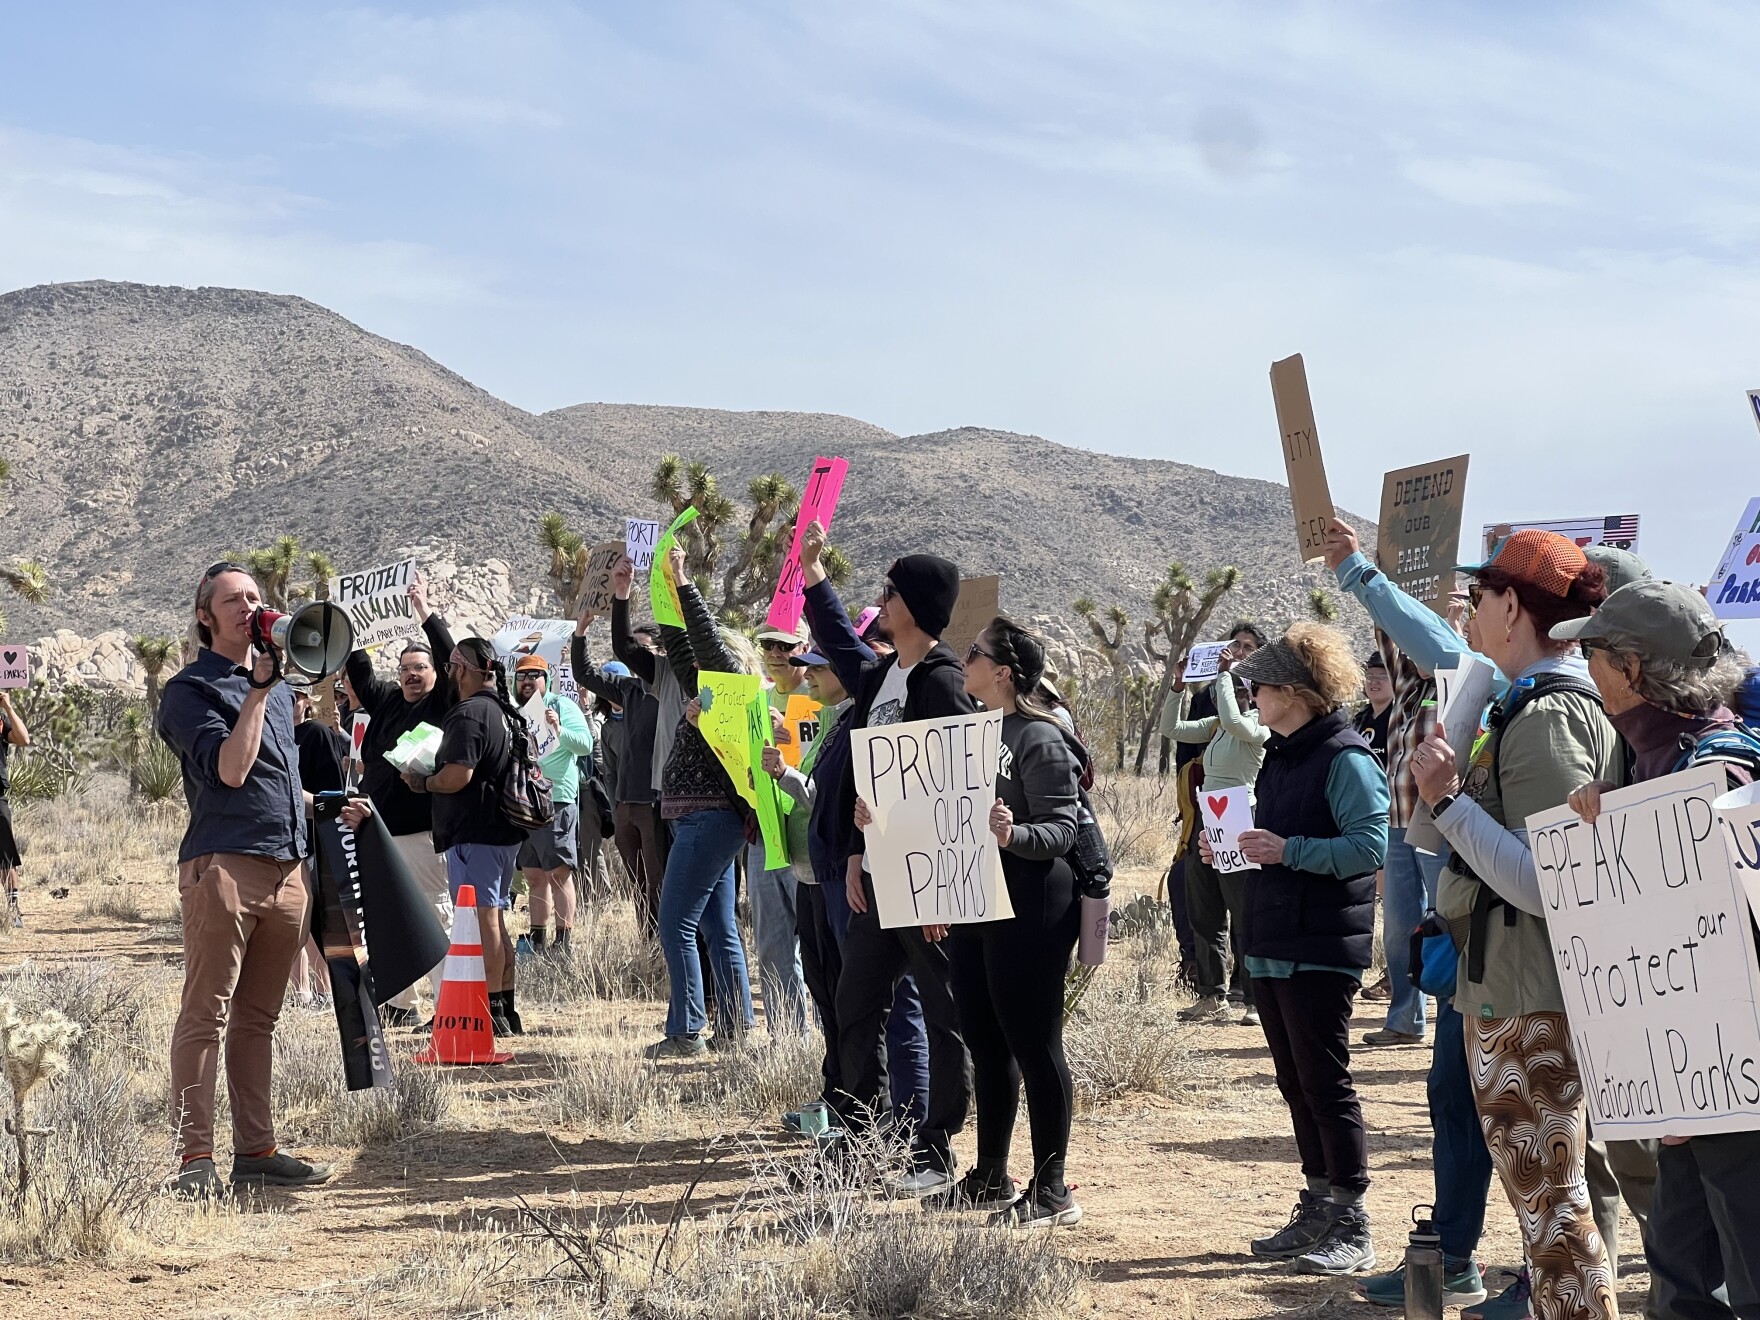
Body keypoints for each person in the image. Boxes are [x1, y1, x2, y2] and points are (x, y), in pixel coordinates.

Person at [1409, 530, 1621, 1320]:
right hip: (1511, 991)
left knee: (1556, 1219)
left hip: (1534, 999)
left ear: (1512, 606)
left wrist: (1449, 802)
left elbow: (1546, 881)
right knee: (1547, 1218)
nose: (1467, 610)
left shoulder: (1550, 718)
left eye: (1482, 595)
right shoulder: (1521, 705)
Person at [1555, 581, 1760, 1320]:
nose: (1587, 668)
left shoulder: (1720, 773)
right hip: (1690, 1093)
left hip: (1738, 1098)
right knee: (1679, 1281)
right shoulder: (1654, 766)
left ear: (1633, 669)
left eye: (1594, 654)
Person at [1207, 623, 1387, 1276]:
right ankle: (1317, 1207)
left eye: (1258, 685)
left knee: (1325, 1084)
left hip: (1320, 944)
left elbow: (1370, 848)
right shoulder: (1280, 754)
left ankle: (1352, 1220)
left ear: (1293, 691)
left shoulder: (1346, 757)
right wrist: (1232, 847)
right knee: (1295, 1082)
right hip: (1274, 938)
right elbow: (1276, 840)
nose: (1250, 693)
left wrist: (1288, 851)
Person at [801, 518, 975, 1194]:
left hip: (923, 881)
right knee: (855, 1003)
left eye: (893, 592)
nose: (885, 598)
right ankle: (859, 1136)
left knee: (943, 1014)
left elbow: (955, 781)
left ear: (919, 607)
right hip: (874, 877)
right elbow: (843, 651)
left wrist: (940, 887)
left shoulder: (941, 681)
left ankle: (935, 1149)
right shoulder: (884, 681)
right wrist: (852, 852)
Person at [156, 562, 333, 1196]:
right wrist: (257, 691)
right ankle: (194, 1160)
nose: (248, 606)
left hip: (287, 869)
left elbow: (271, 779)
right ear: (205, 614)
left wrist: (322, 804)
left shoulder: (280, 691)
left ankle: (256, 1150)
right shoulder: (188, 691)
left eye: (254, 597)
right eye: (233, 599)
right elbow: (231, 771)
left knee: (258, 1019)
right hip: (223, 867)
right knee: (205, 1014)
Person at [927, 616, 1087, 1229]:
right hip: (975, 900)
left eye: (975, 653)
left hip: (1033, 900)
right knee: (985, 1038)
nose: (963, 660)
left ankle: (1053, 1188)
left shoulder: (1038, 739)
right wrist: (880, 822)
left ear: (1003, 673)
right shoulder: (968, 732)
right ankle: (992, 1171)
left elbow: (1062, 830)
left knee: (1033, 1040)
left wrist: (1012, 832)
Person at [643, 546, 759, 1057]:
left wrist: (685, 581)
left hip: (708, 818)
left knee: (675, 923)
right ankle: (735, 1028)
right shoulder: (707, 690)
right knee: (717, 926)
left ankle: (686, 1030)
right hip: (707, 820)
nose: (697, 666)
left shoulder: (732, 686)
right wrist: (666, 587)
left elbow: (706, 646)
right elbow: (685, 647)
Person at [342, 576, 458, 1026]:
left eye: (420, 668)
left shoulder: (444, 703)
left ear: (434, 675)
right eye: (405, 668)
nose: (412, 674)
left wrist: (425, 613)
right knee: (386, 917)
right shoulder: (388, 701)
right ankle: (400, 1004)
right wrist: (347, 627)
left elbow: (450, 656)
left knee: (434, 916)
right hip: (380, 832)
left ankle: (447, 1006)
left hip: (425, 834)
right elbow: (358, 673)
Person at [408, 635, 527, 1036]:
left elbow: (457, 776)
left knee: (483, 922)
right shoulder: (503, 712)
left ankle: (492, 1010)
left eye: (451, 667)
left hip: (476, 833)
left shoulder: (469, 714)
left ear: (460, 668)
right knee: (494, 919)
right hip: (500, 833)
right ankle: (505, 1007)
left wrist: (422, 783)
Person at [764, 646, 853, 1125]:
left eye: (819, 667)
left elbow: (824, 796)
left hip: (832, 877)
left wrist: (785, 772)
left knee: (840, 994)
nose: (810, 675)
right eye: (811, 667)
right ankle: (834, 1097)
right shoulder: (827, 725)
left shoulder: (846, 725)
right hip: (808, 872)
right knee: (824, 990)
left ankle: (846, 1109)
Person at [1165, 637, 1269, 1026]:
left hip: (1238, 814)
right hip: (1208, 815)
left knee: (1242, 909)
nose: (1240, 691)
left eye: (1245, 686)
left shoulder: (1257, 726)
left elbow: (1233, 720)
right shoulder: (1219, 727)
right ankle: (1213, 994)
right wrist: (1178, 687)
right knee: (1204, 906)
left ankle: (1256, 999)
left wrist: (1224, 675)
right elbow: (1172, 727)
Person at [573, 608, 667, 933]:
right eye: (633, 652)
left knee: (658, 882)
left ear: (663, 653)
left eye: (643, 650)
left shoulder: (669, 690)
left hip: (655, 803)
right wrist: (580, 633)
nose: (637, 659)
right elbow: (585, 676)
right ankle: (649, 946)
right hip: (626, 805)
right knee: (638, 887)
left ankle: (665, 948)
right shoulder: (629, 690)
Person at [750, 617, 813, 1036]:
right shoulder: (757, 700)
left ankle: (836, 1045)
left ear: (805, 646)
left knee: (820, 947)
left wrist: (786, 734)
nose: (775, 654)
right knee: (772, 946)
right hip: (765, 835)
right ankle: (787, 1042)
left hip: (810, 837)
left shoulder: (824, 696)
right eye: (768, 645)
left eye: (785, 646)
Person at [511, 653, 594, 953]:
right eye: (521, 676)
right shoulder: (514, 712)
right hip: (522, 803)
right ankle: (537, 940)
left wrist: (559, 729)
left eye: (534, 676)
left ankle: (563, 943)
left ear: (546, 680)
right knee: (533, 874)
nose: (527, 681)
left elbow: (585, 745)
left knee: (558, 873)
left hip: (555, 799)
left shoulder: (561, 705)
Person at [287, 675, 346, 1009]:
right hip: (286, 840)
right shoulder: (274, 736)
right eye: (285, 696)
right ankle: (302, 991)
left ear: (307, 701)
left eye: (296, 697)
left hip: (314, 839)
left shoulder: (317, 734)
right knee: (297, 919)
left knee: (315, 920)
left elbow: (334, 793)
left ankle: (323, 989)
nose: (291, 703)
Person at [0, 687, 30, 929]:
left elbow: (23, 739)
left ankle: (13, 910)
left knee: (5, 856)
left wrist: (8, 708)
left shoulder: (1, 722)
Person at [1353, 651, 1393, 769]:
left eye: (1382, 676)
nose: (1374, 681)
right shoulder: (1359, 719)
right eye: (1369, 676)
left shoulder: (1403, 718)